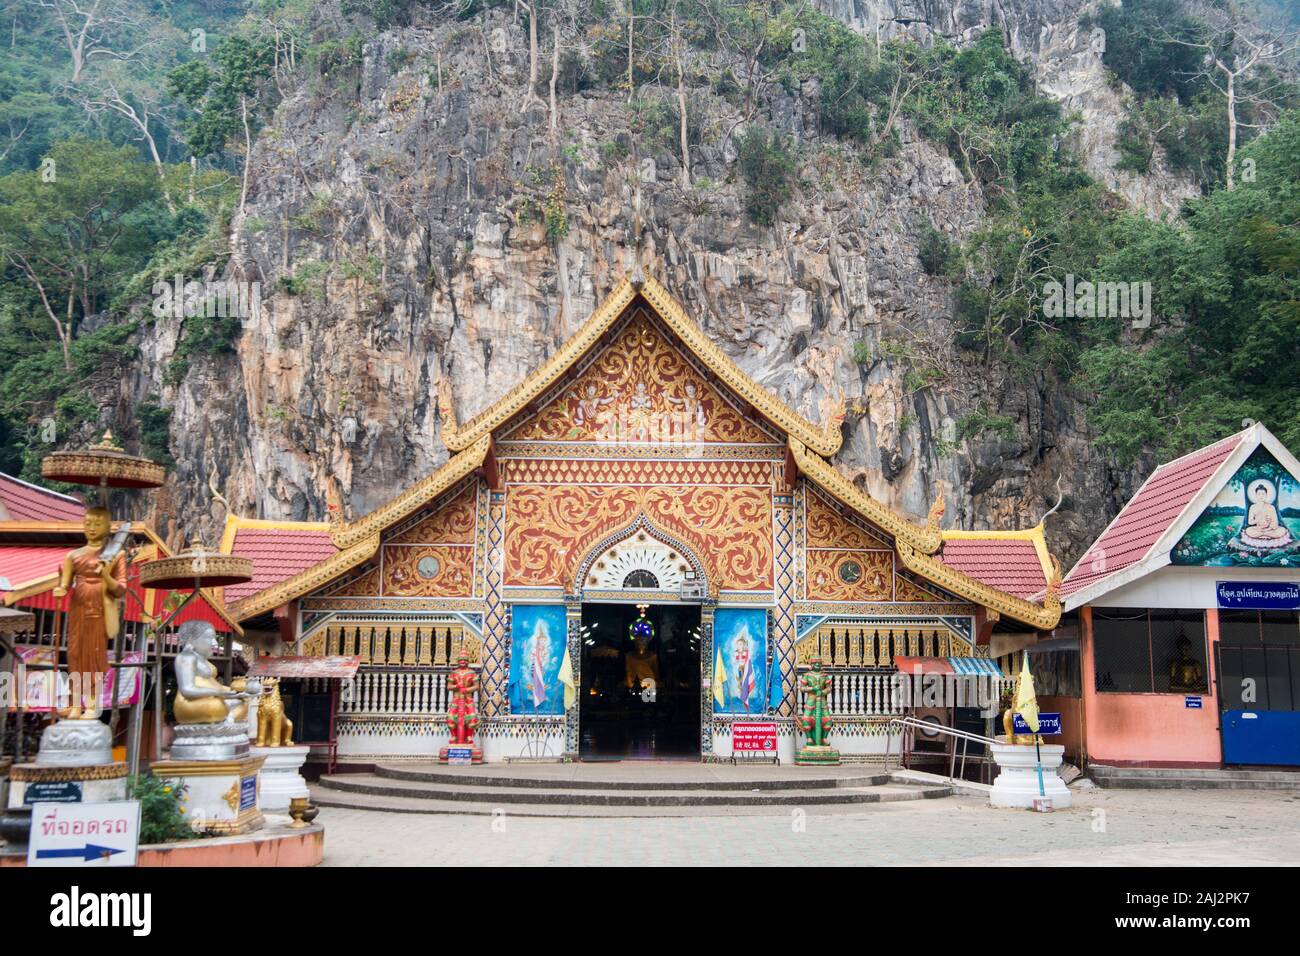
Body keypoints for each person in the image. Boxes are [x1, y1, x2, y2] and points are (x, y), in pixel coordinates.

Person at [52, 507, 126, 719]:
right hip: (78, 608)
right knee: (74, 654)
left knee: (94, 656)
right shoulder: (73, 556)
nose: (92, 528)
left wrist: (105, 574)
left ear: (107, 527)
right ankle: (75, 704)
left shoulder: (116, 555)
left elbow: (120, 589)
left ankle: (92, 705)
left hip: (100, 609)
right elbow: (65, 584)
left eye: (97, 524)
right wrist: (61, 589)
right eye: (88, 523)